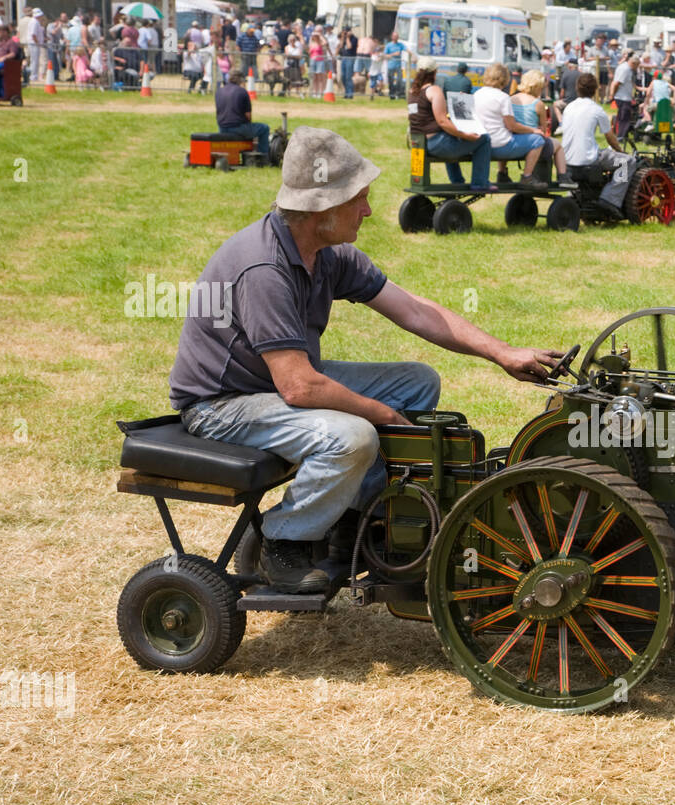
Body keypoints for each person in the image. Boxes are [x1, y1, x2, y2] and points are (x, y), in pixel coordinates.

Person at [170, 127, 559, 593]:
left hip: (273, 381)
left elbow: (415, 310)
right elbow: (299, 388)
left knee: (417, 382)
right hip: (224, 403)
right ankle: (282, 539)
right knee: (353, 436)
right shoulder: (264, 269)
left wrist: (503, 353)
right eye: (359, 200)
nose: (369, 210)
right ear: (323, 208)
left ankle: (357, 518)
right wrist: (384, 416)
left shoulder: (327, 253)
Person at [408, 56, 494, 191]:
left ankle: (458, 181)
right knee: (484, 139)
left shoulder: (412, 92)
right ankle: (480, 183)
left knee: (451, 135)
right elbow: (443, 121)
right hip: (437, 143)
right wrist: (466, 136)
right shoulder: (434, 90)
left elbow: (432, 113)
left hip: (421, 142)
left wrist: (458, 101)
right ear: (435, 72)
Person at [561, 72, 636, 219]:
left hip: (566, 159)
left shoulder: (568, 108)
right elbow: (610, 138)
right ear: (595, 90)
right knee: (627, 162)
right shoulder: (596, 110)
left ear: (577, 88)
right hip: (588, 160)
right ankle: (610, 199)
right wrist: (621, 152)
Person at [475, 62, 549, 189]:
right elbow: (512, 126)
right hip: (499, 146)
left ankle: (502, 172)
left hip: (482, 145)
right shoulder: (503, 97)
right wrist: (533, 130)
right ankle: (527, 177)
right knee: (537, 140)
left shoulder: (477, 94)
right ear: (505, 79)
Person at [512, 69, 570, 181]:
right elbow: (544, 129)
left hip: (515, 141)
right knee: (558, 145)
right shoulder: (538, 104)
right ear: (537, 86)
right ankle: (563, 176)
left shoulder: (511, 99)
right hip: (533, 144)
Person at [216, 67, 270, 155]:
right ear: (240, 79)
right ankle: (263, 155)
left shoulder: (219, 91)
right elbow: (248, 115)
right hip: (237, 127)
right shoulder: (242, 92)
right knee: (264, 128)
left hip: (222, 127)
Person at [609, 52, 637, 141]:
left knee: (621, 117)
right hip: (622, 97)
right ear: (633, 63)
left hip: (623, 96)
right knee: (624, 119)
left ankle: (619, 135)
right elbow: (617, 83)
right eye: (637, 65)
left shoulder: (625, 68)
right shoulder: (625, 69)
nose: (637, 68)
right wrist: (613, 95)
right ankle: (620, 137)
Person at [337, 27, 356, 99]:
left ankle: (350, 94)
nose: (345, 33)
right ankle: (346, 92)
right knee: (343, 77)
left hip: (350, 58)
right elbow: (341, 47)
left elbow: (349, 47)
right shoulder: (344, 38)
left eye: (346, 32)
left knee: (348, 77)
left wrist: (348, 38)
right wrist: (342, 38)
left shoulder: (354, 38)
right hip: (344, 58)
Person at [384, 31, 403, 99]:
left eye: (397, 36)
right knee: (391, 81)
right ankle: (391, 95)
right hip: (391, 66)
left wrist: (413, 56)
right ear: (392, 37)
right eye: (395, 36)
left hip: (398, 66)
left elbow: (407, 50)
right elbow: (385, 55)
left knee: (399, 80)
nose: (396, 38)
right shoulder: (388, 45)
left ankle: (398, 94)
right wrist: (394, 54)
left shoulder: (400, 45)